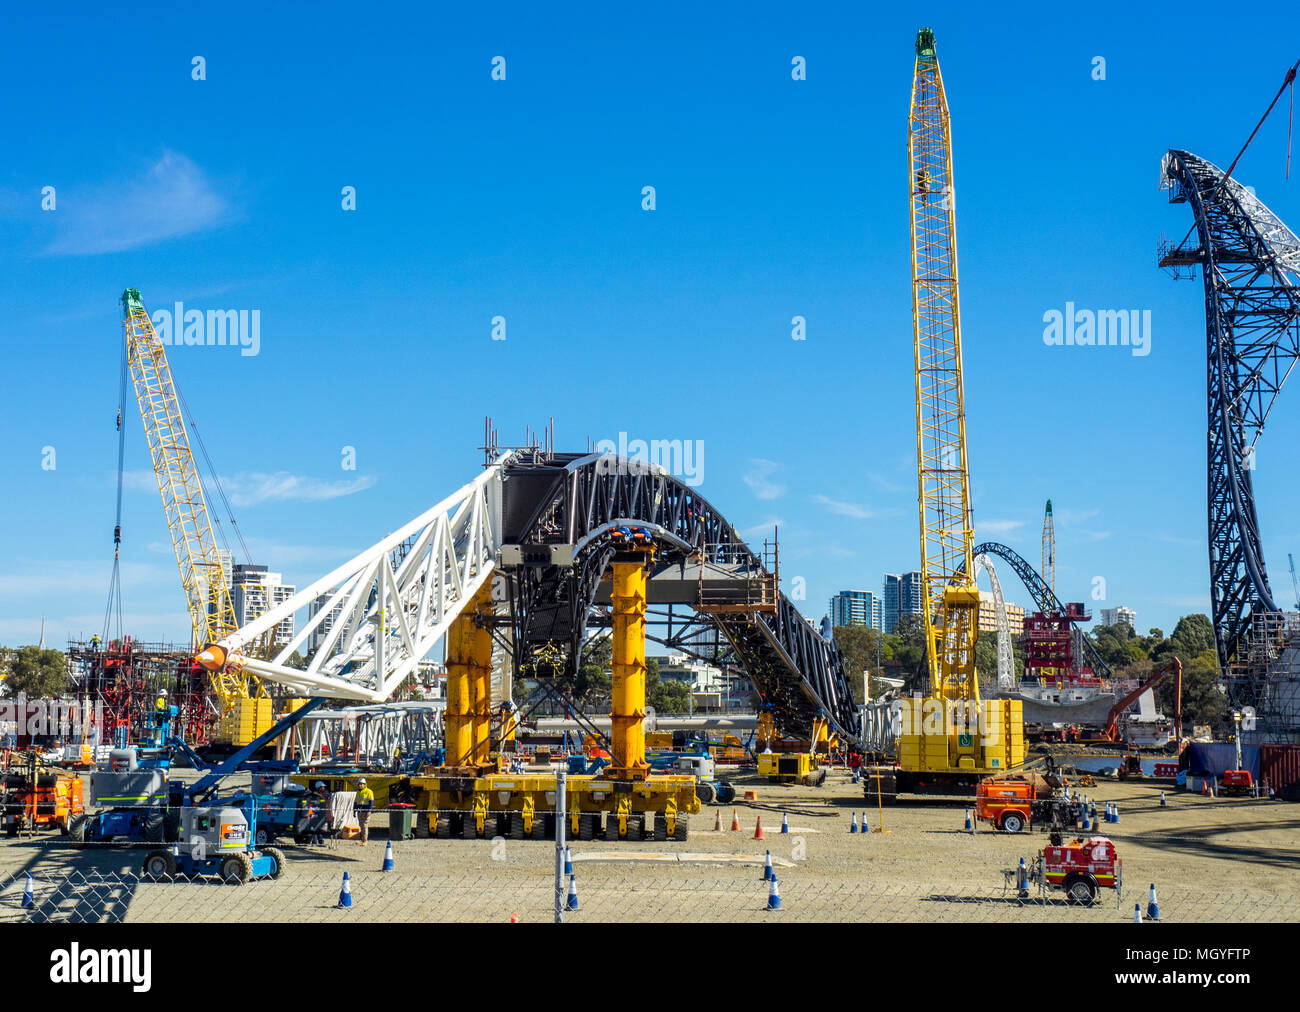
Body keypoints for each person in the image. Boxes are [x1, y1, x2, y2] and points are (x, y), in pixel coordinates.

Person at [355, 777, 375, 845]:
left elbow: (371, 802)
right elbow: (356, 802)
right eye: (359, 784)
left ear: (365, 784)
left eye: (362, 784)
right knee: (361, 826)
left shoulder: (369, 791)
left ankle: (365, 841)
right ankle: (362, 840)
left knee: (365, 826)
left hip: (366, 811)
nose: (360, 785)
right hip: (360, 811)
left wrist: (369, 811)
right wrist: (354, 810)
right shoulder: (358, 792)